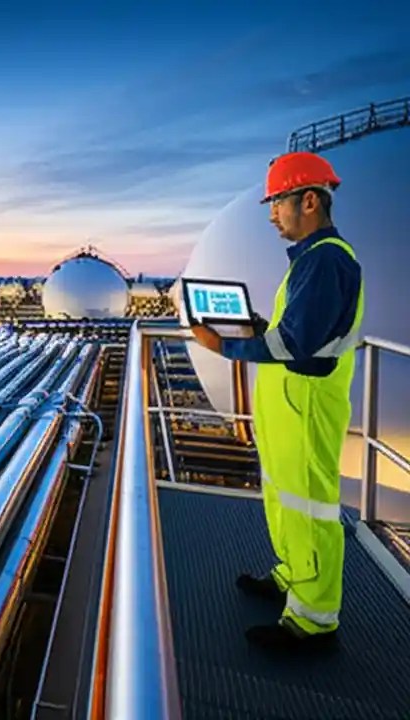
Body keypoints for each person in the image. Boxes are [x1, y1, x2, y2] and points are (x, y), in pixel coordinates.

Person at [190, 150, 364, 652]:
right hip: (289, 408)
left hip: (307, 407)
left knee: (310, 508)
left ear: (309, 200)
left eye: (277, 203)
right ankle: (291, 576)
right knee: (286, 501)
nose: (271, 215)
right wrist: (260, 330)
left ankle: (313, 623)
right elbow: (295, 332)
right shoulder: (311, 260)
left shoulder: (327, 259)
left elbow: (298, 346)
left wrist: (225, 344)